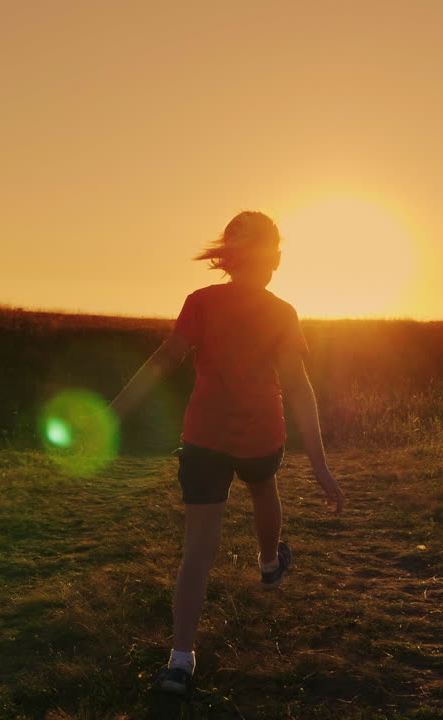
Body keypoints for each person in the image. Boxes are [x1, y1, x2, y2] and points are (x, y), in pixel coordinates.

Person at [109, 210, 346, 696]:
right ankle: (267, 562)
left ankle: (180, 662)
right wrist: (320, 464)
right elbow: (299, 390)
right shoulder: (281, 312)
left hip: (205, 437)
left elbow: (162, 362)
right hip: (261, 434)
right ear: (274, 260)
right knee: (264, 488)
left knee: (198, 550)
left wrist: (114, 411)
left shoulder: (201, 302)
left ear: (228, 258)